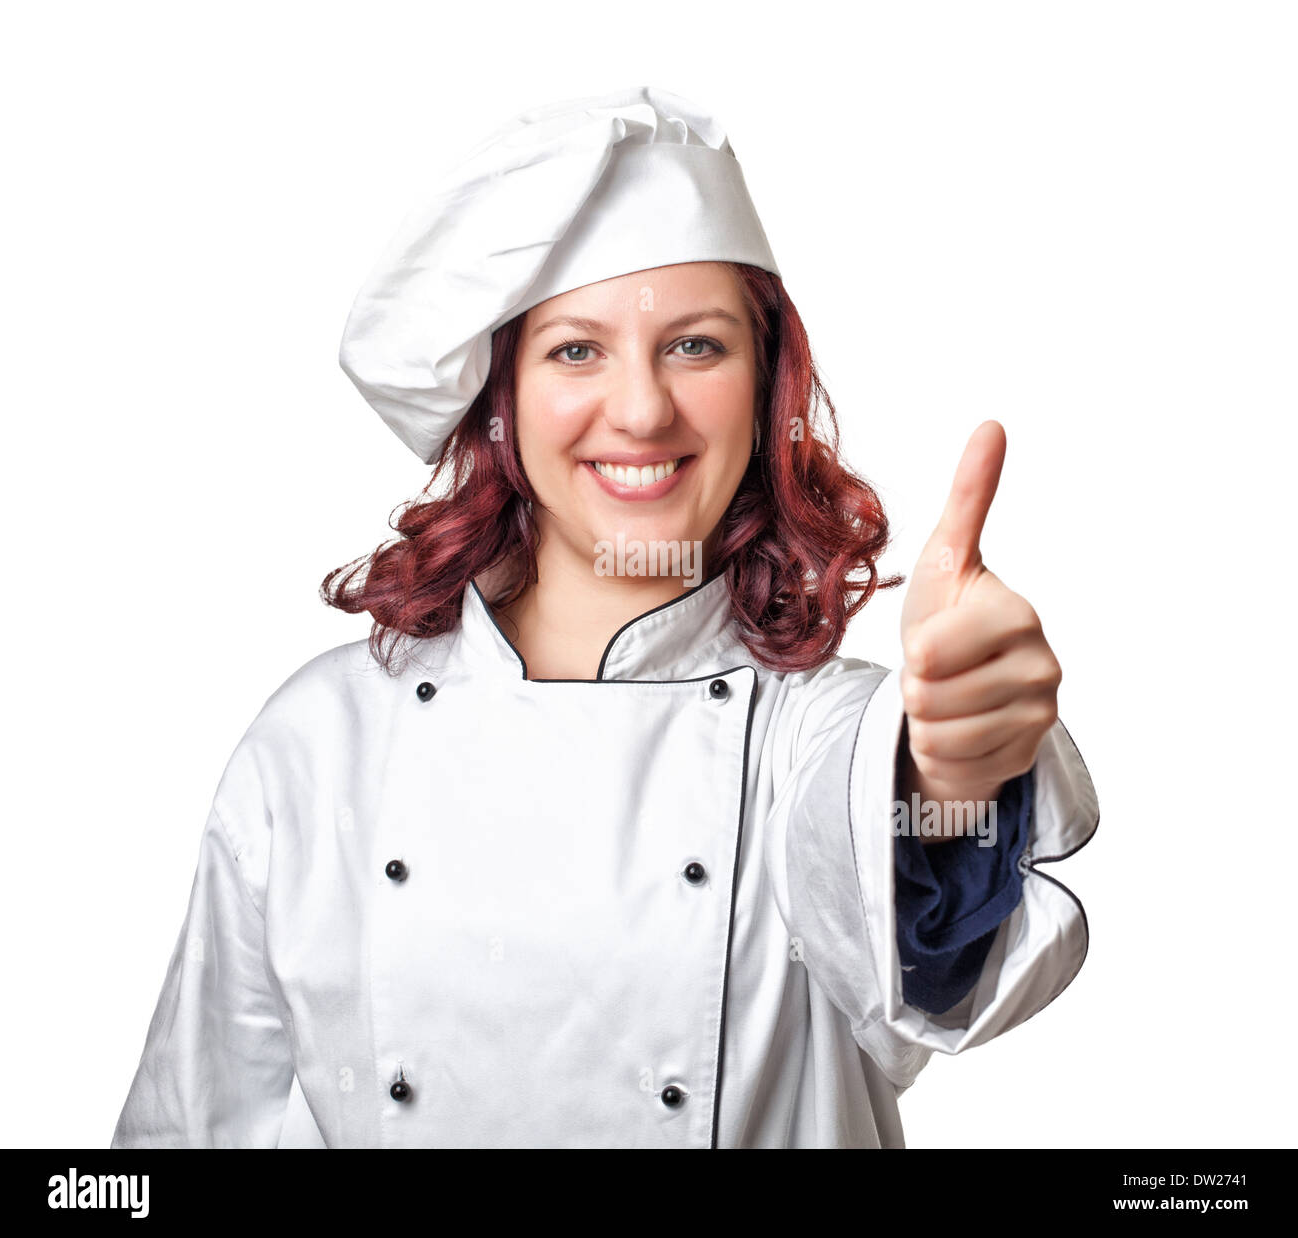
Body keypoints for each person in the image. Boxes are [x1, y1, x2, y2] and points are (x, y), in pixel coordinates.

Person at [110, 85, 1098, 1150]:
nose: (640, 409)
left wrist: (949, 778)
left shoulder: (822, 737)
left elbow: (901, 923)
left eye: (696, 346)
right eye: (576, 350)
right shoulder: (318, 746)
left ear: (764, 384)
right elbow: (193, 1131)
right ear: (502, 396)